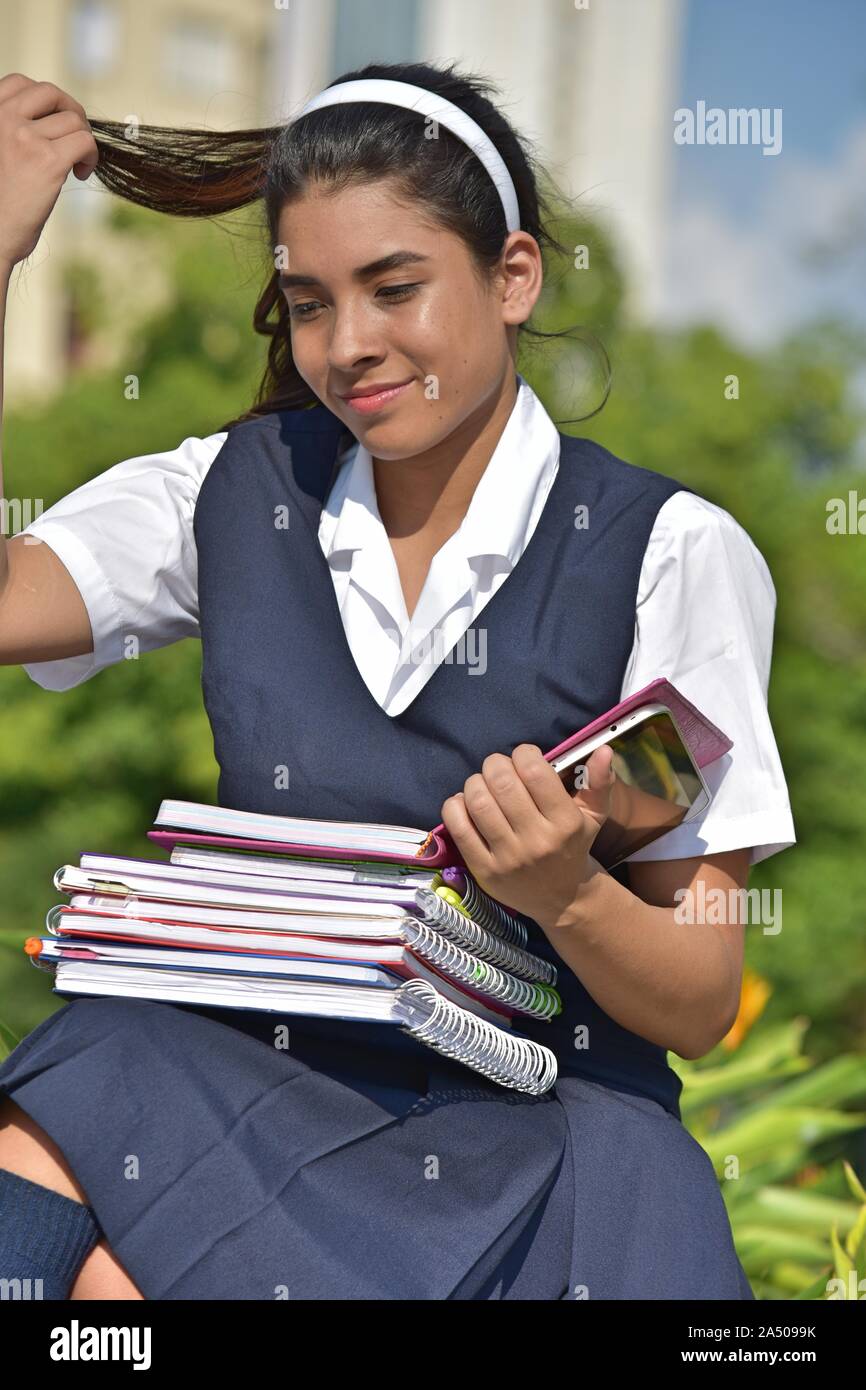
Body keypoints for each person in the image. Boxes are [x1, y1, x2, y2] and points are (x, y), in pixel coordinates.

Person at [0, 60, 795, 1301]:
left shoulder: (673, 552)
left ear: (513, 275)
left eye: (393, 287)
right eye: (308, 302)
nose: (347, 346)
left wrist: (565, 892)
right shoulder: (229, 488)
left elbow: (697, 999)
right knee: (73, 1095)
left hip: (551, 1136)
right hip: (261, 1095)